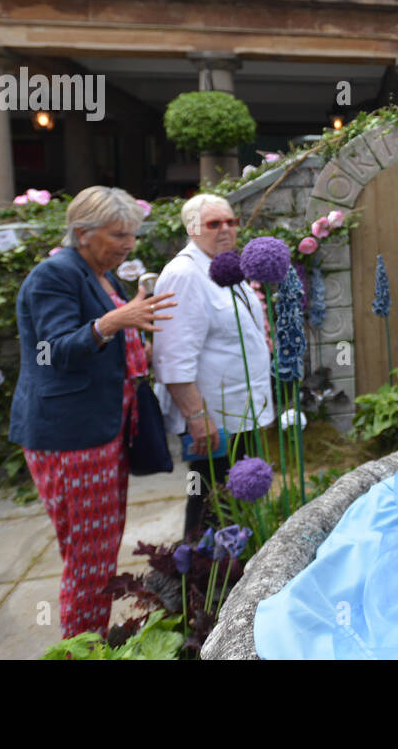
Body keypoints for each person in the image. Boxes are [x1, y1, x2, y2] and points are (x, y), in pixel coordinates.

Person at [10, 186, 176, 639]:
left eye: (132, 236)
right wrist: (117, 321)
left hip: (101, 432)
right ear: (82, 233)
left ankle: (91, 642)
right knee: (89, 559)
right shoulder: (54, 275)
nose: (128, 245)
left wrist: (132, 324)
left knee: (100, 550)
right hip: (70, 438)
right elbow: (53, 350)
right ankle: (79, 649)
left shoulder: (103, 275)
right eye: (118, 234)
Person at [151, 194, 273, 538]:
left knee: (235, 498)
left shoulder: (223, 266)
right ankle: (199, 574)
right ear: (191, 229)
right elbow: (172, 355)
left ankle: (234, 566)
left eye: (231, 222)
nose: (226, 230)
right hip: (212, 419)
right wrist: (196, 416)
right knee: (205, 496)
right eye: (214, 224)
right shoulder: (184, 274)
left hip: (238, 412)